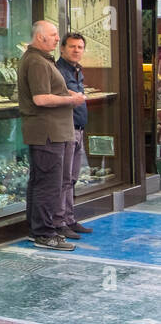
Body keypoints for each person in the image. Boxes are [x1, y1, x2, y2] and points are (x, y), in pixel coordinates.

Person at [17, 21, 86, 250]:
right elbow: (41, 98)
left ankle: (37, 229)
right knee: (48, 184)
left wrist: (67, 93)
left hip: (51, 132)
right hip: (48, 133)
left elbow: (50, 91)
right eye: (54, 35)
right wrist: (71, 100)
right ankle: (45, 233)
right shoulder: (36, 61)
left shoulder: (41, 59)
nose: (58, 39)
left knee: (41, 182)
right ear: (40, 38)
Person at [55, 32, 93, 236]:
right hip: (66, 129)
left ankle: (70, 218)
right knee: (64, 178)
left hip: (79, 128)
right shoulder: (58, 70)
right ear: (62, 48)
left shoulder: (77, 70)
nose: (76, 50)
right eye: (72, 47)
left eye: (80, 47)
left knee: (72, 178)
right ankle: (60, 222)